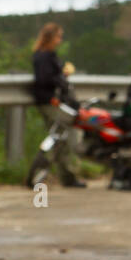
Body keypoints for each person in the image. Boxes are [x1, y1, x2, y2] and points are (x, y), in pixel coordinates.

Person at [30, 22, 86, 187]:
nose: (60, 40)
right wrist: (58, 82)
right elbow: (45, 78)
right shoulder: (44, 56)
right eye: (58, 36)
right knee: (63, 136)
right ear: (50, 37)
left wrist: (62, 73)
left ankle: (64, 175)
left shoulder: (46, 55)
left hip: (51, 100)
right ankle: (53, 174)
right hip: (49, 101)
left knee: (59, 137)